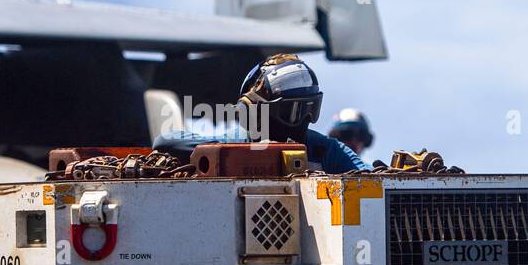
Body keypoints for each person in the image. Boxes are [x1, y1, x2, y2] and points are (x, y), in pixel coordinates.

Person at [154, 53, 369, 173]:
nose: (304, 120)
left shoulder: (323, 150)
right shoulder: (234, 144)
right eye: (292, 111)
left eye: (308, 110)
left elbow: (372, 176)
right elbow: (165, 142)